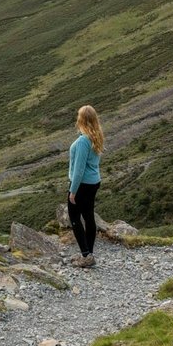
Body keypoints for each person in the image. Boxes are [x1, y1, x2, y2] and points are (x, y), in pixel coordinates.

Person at [67, 104, 103, 267]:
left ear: (81, 119)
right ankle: (90, 253)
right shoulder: (96, 136)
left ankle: (86, 255)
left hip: (82, 184)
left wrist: (73, 191)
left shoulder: (82, 141)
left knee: (74, 217)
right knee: (88, 216)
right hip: (94, 182)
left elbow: (79, 170)